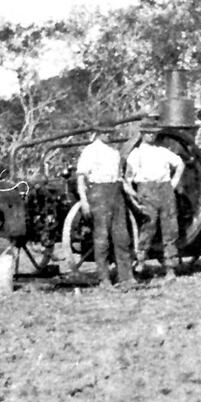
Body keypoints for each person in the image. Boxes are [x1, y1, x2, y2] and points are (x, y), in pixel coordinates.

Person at [75, 121, 136, 288]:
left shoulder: (114, 152)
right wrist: (84, 200)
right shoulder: (90, 151)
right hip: (98, 192)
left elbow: (121, 179)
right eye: (105, 131)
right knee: (102, 237)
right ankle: (104, 279)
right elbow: (81, 177)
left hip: (116, 192)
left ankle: (126, 277)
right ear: (98, 132)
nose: (109, 134)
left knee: (122, 236)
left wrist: (133, 195)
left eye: (111, 131)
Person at [124, 130, 186, 280]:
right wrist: (134, 194)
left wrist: (174, 182)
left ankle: (170, 269)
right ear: (142, 134)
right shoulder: (136, 154)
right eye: (148, 132)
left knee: (170, 229)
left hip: (165, 189)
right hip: (146, 190)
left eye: (153, 132)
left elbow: (180, 164)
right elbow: (127, 179)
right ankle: (140, 262)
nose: (151, 135)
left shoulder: (163, 152)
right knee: (148, 227)